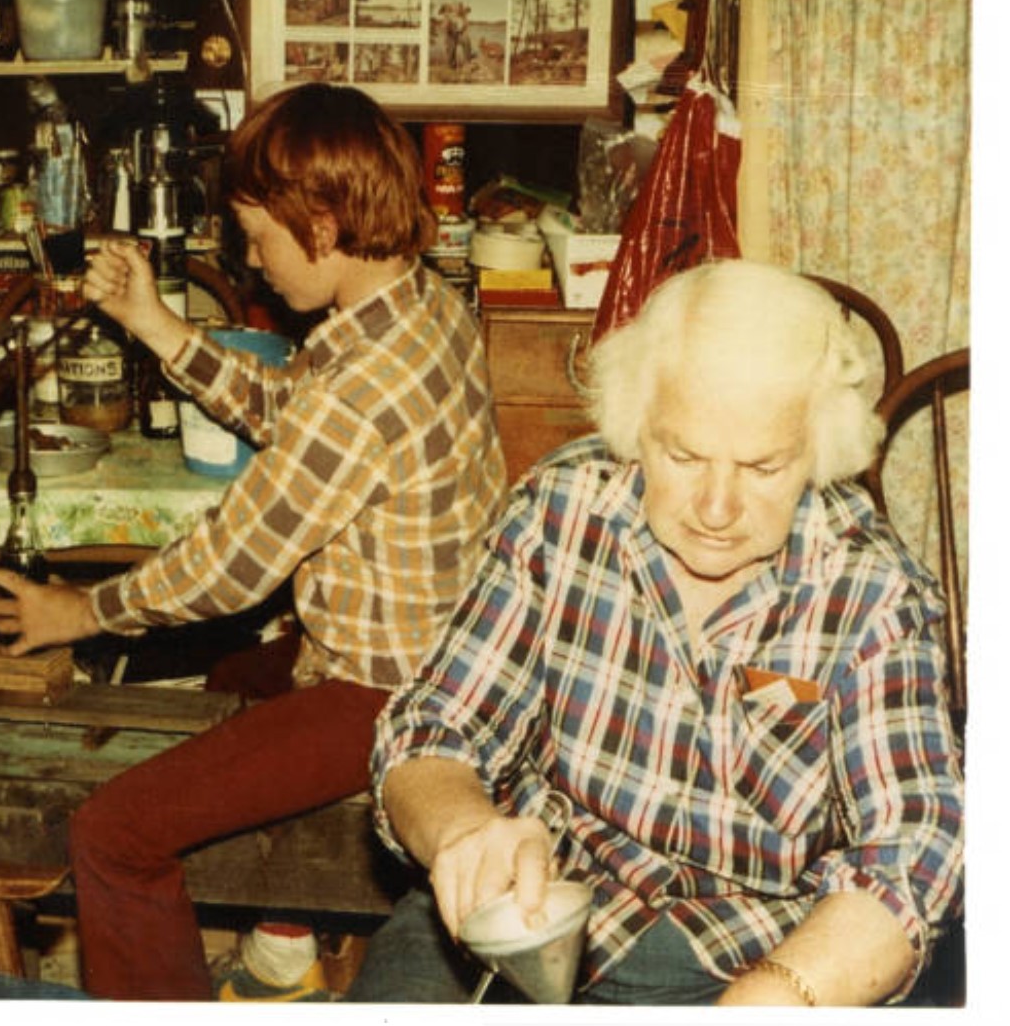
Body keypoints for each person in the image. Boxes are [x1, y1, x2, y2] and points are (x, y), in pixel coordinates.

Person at [0, 82, 508, 1001]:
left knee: (113, 832)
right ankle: (281, 947)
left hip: (388, 693)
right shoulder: (416, 309)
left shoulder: (362, 380)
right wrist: (156, 325)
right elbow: (289, 413)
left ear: (323, 220)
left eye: (260, 238)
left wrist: (82, 611)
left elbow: (231, 567)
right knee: (232, 682)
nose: (254, 262)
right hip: (450, 657)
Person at [353, 259, 965, 1006]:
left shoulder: (876, 595)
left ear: (819, 452)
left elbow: (914, 846)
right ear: (636, 424)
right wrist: (461, 829)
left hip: (752, 953)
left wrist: (781, 992)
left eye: (763, 467)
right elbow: (434, 726)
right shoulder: (561, 511)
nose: (715, 507)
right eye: (682, 455)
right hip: (533, 901)